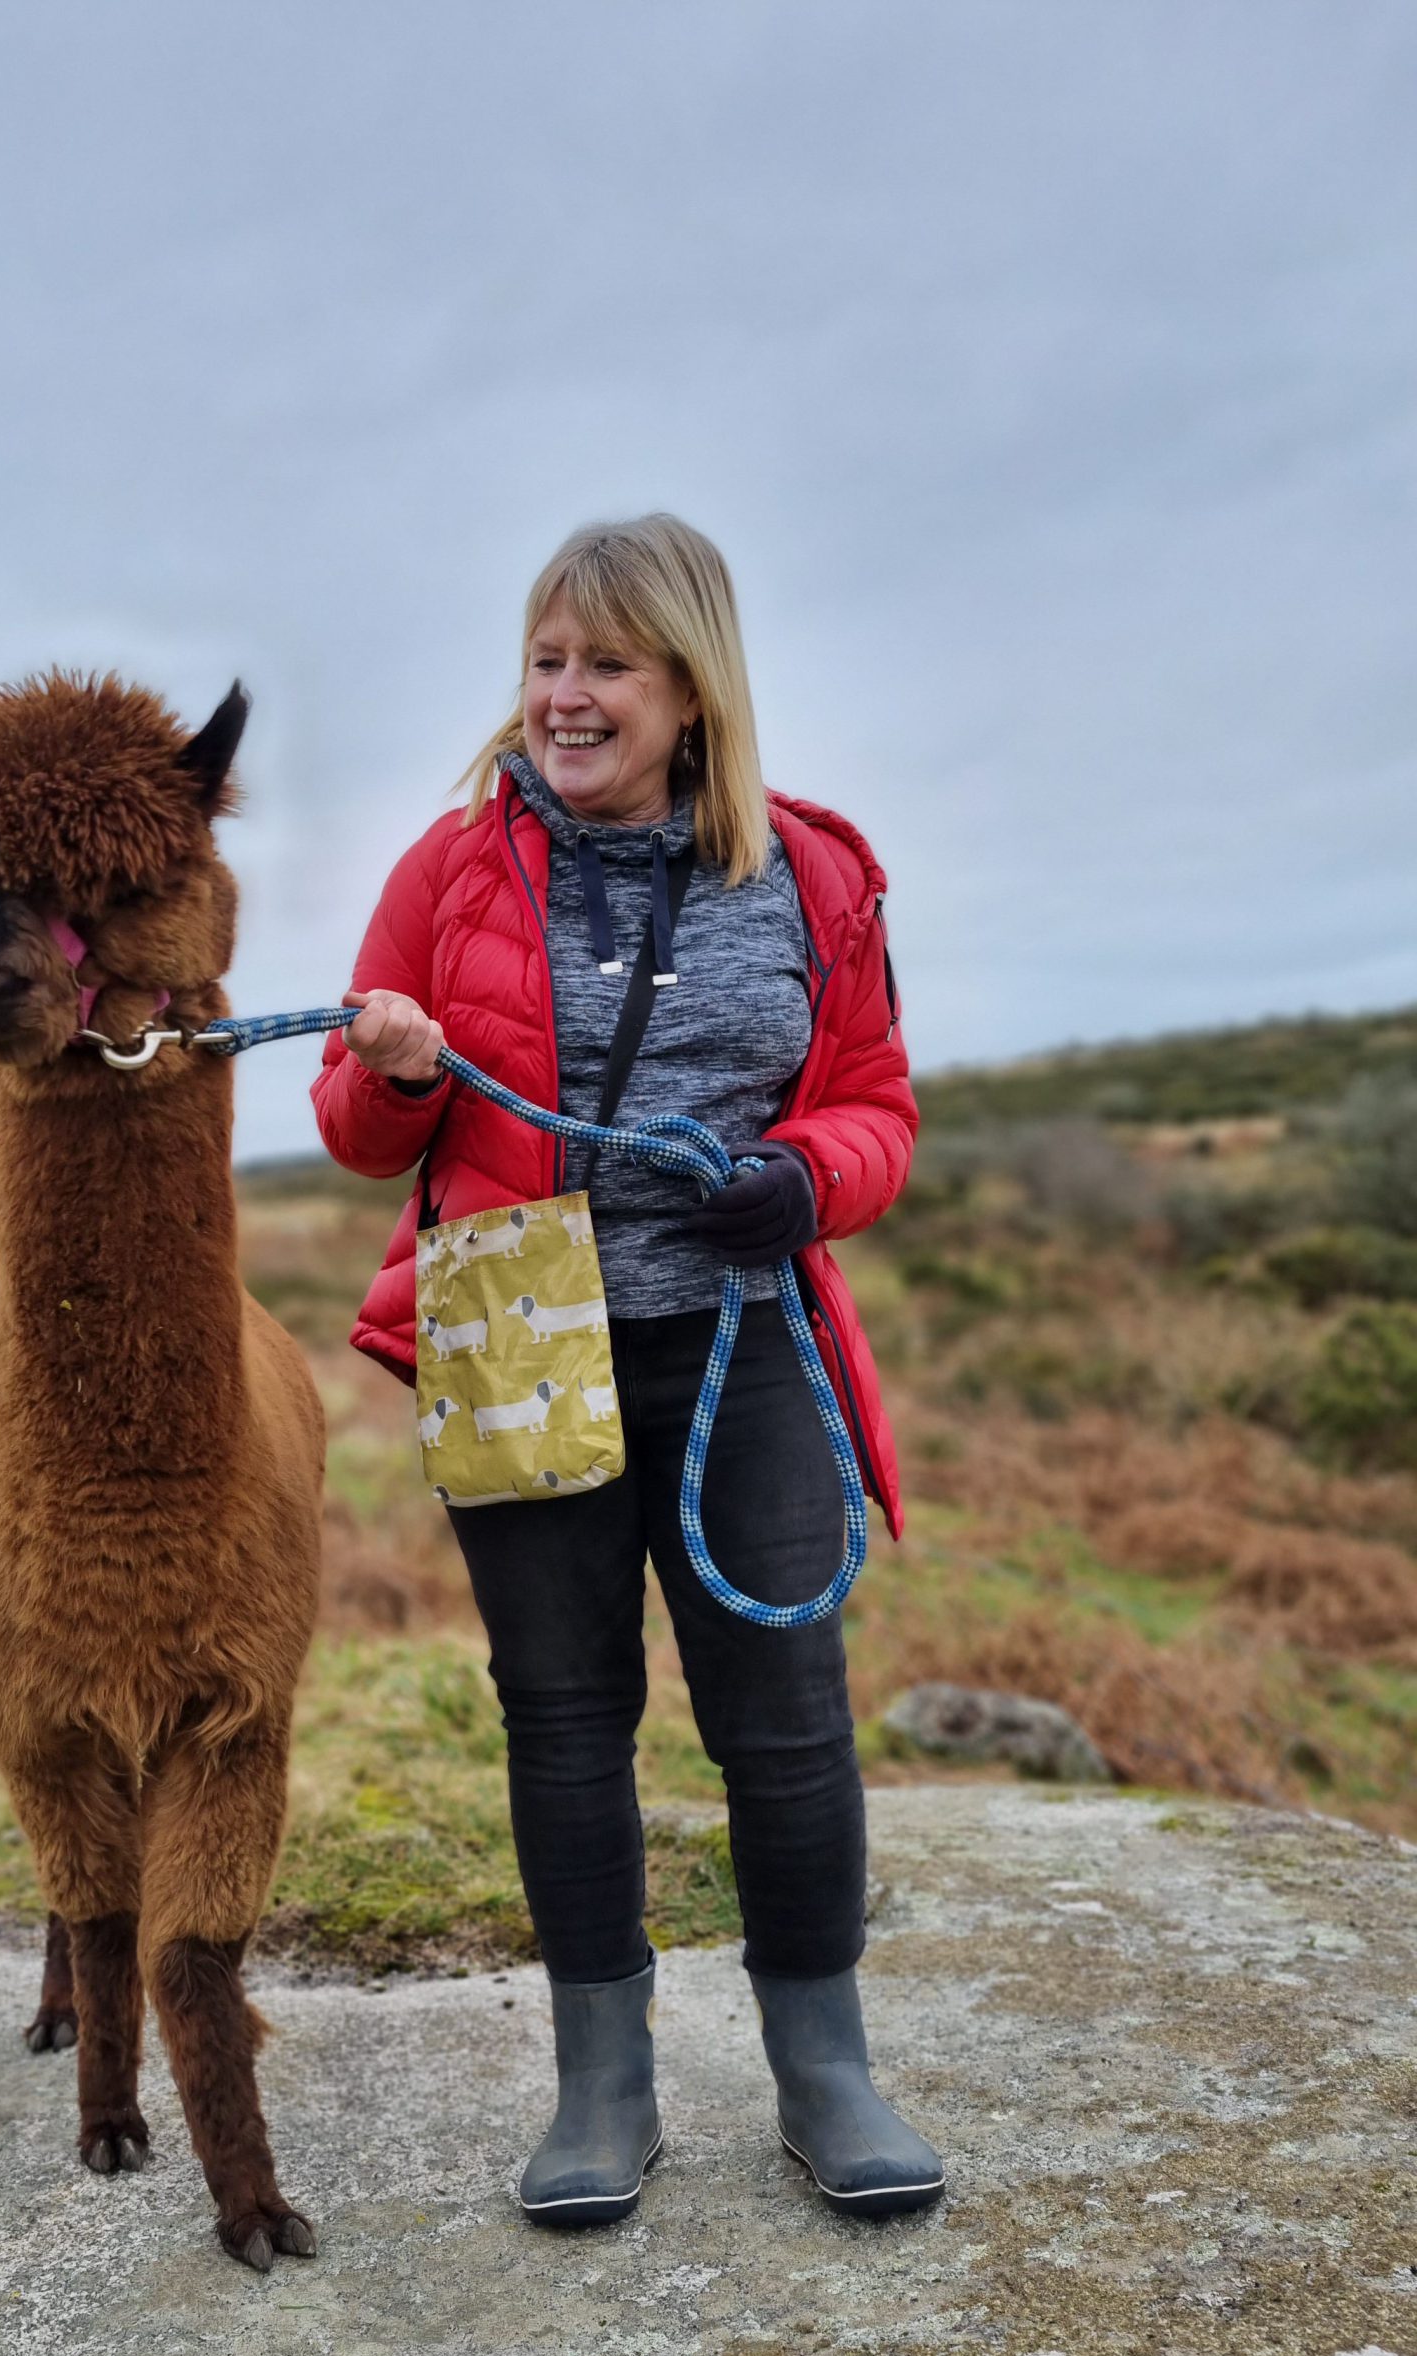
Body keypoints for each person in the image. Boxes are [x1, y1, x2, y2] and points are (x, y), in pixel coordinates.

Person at [310, 514, 943, 2227]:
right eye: (545, 660)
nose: (565, 698)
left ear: (689, 685)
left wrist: (804, 1178)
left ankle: (827, 2068)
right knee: (566, 1720)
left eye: (606, 665)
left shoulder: (813, 875)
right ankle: (606, 2081)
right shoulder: (451, 871)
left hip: (742, 1342)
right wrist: (398, 1073)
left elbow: (878, 1109)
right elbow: (360, 1139)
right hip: (524, 1342)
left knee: (788, 1722)